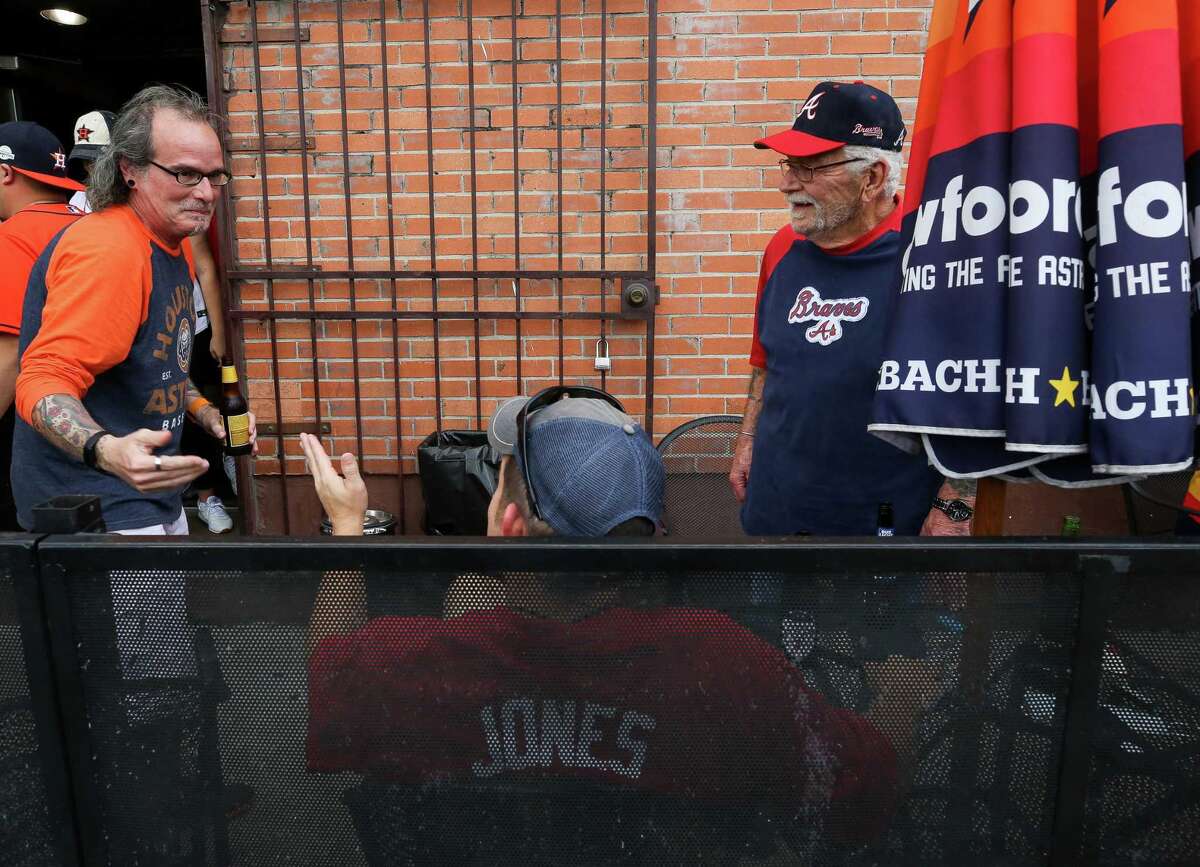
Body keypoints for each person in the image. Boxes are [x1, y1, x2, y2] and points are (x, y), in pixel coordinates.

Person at [300, 386, 922, 859]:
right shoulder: (726, 661)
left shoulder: (421, 660)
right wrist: (903, 693)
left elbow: (328, 682)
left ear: (507, 525)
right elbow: (862, 790)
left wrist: (347, 529)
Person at [730, 80, 971, 537]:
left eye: (808, 168)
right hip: (776, 507)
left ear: (873, 178)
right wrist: (746, 440)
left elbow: (975, 396)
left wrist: (957, 502)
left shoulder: (934, 258)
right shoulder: (781, 249)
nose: (786, 184)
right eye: (788, 165)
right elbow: (766, 362)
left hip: (883, 522)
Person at [12, 84, 255, 534]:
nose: (206, 192)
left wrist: (205, 412)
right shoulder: (111, 250)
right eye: (185, 174)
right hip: (97, 507)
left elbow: (157, 366)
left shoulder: (171, 243)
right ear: (130, 170)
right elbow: (42, 381)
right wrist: (106, 449)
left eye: (214, 175)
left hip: (149, 496)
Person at [0, 121, 85, 529]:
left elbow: (10, 353)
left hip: (39, 430)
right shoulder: (94, 228)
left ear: (5, 172)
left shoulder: (11, 238)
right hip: (100, 427)